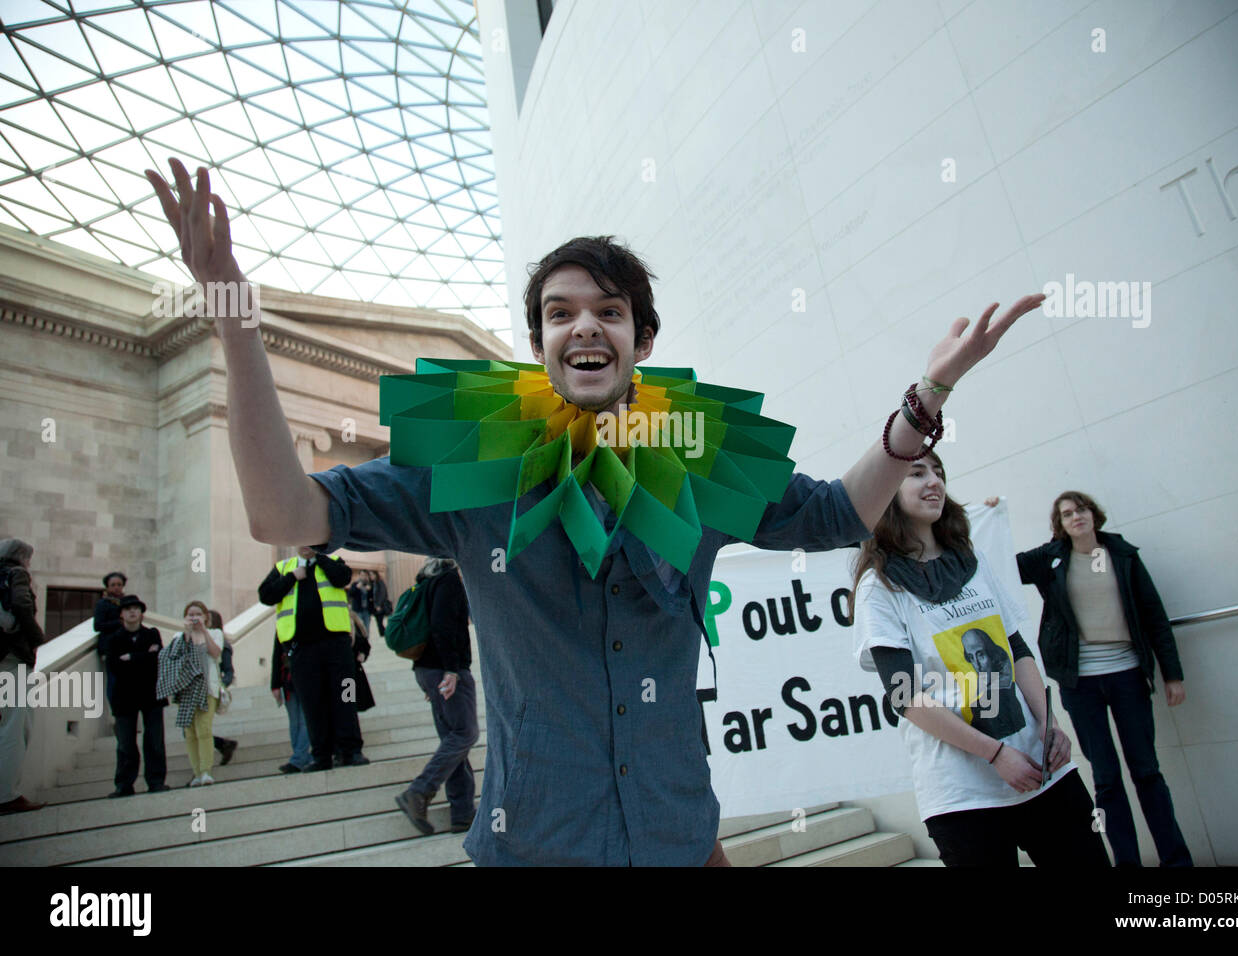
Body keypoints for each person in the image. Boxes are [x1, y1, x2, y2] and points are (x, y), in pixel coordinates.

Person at [146, 157, 1043, 865]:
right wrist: (235, 319)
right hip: (535, 846)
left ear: (641, 340)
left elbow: (838, 515)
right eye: (558, 312)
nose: (585, 327)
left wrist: (926, 399)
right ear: (537, 344)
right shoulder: (477, 472)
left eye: (608, 312)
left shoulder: (700, 460)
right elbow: (283, 512)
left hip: (679, 840)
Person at [852, 452, 1110, 867]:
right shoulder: (878, 586)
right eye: (916, 474)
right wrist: (994, 754)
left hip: (1043, 767)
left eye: (938, 472)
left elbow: (1016, 649)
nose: (934, 481)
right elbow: (904, 695)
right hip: (963, 795)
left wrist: (1048, 722)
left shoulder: (972, 561)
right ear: (887, 490)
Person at [989, 490, 1193, 867]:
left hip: (1128, 677)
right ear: (1060, 525)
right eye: (1066, 514)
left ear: (1093, 515)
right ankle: (1127, 862)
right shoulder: (1051, 559)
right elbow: (999, 566)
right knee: (1106, 778)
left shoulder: (1124, 556)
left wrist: (1172, 675)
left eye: (1080, 509)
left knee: (1147, 772)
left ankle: (1176, 861)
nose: (1075, 516)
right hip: (1080, 685)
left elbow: (1154, 616)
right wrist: (989, 516)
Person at [257, 546, 367, 771]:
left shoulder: (333, 560)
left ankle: (351, 751)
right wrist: (291, 577)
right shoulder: (283, 568)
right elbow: (266, 595)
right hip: (302, 650)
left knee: (346, 698)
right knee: (313, 704)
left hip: (336, 645)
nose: (306, 545)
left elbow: (342, 578)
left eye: (311, 541)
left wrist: (320, 559)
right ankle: (321, 756)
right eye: (302, 541)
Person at [394, 558, 479, 836]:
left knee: (452, 738)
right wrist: (451, 670)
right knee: (465, 733)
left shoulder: (426, 581)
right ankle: (419, 792)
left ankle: (462, 813)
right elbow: (443, 626)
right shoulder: (449, 581)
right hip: (445, 670)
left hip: (427, 670)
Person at [0, 538, 47, 815]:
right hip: (12, 659)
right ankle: (6, 795)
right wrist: (36, 638)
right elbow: (20, 603)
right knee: (16, 726)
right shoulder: (16, 573)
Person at [104, 595, 169, 796]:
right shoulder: (114, 639)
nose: (132, 612)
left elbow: (156, 660)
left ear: (141, 613)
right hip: (124, 697)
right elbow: (114, 667)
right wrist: (144, 656)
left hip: (151, 694)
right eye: (128, 609)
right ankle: (124, 784)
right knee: (125, 744)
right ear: (121, 614)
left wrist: (131, 657)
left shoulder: (152, 634)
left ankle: (156, 781)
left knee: (154, 740)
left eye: (136, 608)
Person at [167, 601, 224, 786]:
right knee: (190, 732)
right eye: (190, 614)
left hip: (207, 688)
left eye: (198, 614)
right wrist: (188, 633)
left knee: (204, 729)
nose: (194, 618)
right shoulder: (179, 636)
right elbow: (174, 657)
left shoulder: (215, 633)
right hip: (187, 690)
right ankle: (197, 772)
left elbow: (215, 653)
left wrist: (203, 632)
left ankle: (206, 771)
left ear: (206, 616)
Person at [271, 631, 312, 773]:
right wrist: (274, 684)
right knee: (295, 721)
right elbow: (276, 655)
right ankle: (300, 756)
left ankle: (298, 759)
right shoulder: (282, 625)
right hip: (288, 680)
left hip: (309, 677)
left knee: (305, 720)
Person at [207, 609, 238, 766]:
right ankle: (222, 745)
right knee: (193, 730)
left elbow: (228, 670)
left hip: (211, 690)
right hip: (199, 689)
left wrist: (220, 686)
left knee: (199, 729)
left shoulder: (222, 644)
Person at [94, 571, 127, 704]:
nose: (116, 587)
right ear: (107, 587)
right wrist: (119, 622)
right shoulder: (103, 603)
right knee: (113, 681)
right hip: (110, 648)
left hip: (125, 646)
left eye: (119, 584)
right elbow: (98, 625)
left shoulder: (127, 602)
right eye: (113, 585)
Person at [348, 573, 371, 639]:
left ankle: (366, 642)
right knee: (359, 627)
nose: (363, 577)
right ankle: (360, 641)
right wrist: (356, 588)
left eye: (365, 575)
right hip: (358, 610)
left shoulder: (368, 585)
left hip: (366, 610)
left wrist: (370, 590)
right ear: (359, 576)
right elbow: (350, 594)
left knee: (366, 628)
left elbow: (373, 597)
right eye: (362, 575)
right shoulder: (355, 584)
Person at [369, 570, 391, 638]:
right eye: (370, 575)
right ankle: (383, 634)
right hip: (376, 606)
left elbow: (382, 594)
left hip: (380, 606)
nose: (371, 576)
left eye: (372, 575)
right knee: (379, 621)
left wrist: (378, 604)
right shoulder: (374, 583)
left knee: (380, 621)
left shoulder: (379, 582)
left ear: (376, 575)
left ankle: (385, 634)